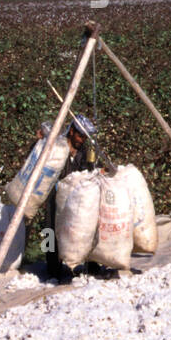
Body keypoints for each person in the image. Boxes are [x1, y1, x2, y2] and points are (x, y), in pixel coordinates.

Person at [40, 116, 98, 282]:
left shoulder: (84, 153)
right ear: (71, 131)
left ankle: (88, 263)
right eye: (80, 136)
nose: (82, 140)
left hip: (73, 197)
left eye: (85, 137)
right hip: (53, 194)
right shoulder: (58, 147)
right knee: (49, 229)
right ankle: (51, 266)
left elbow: (88, 172)